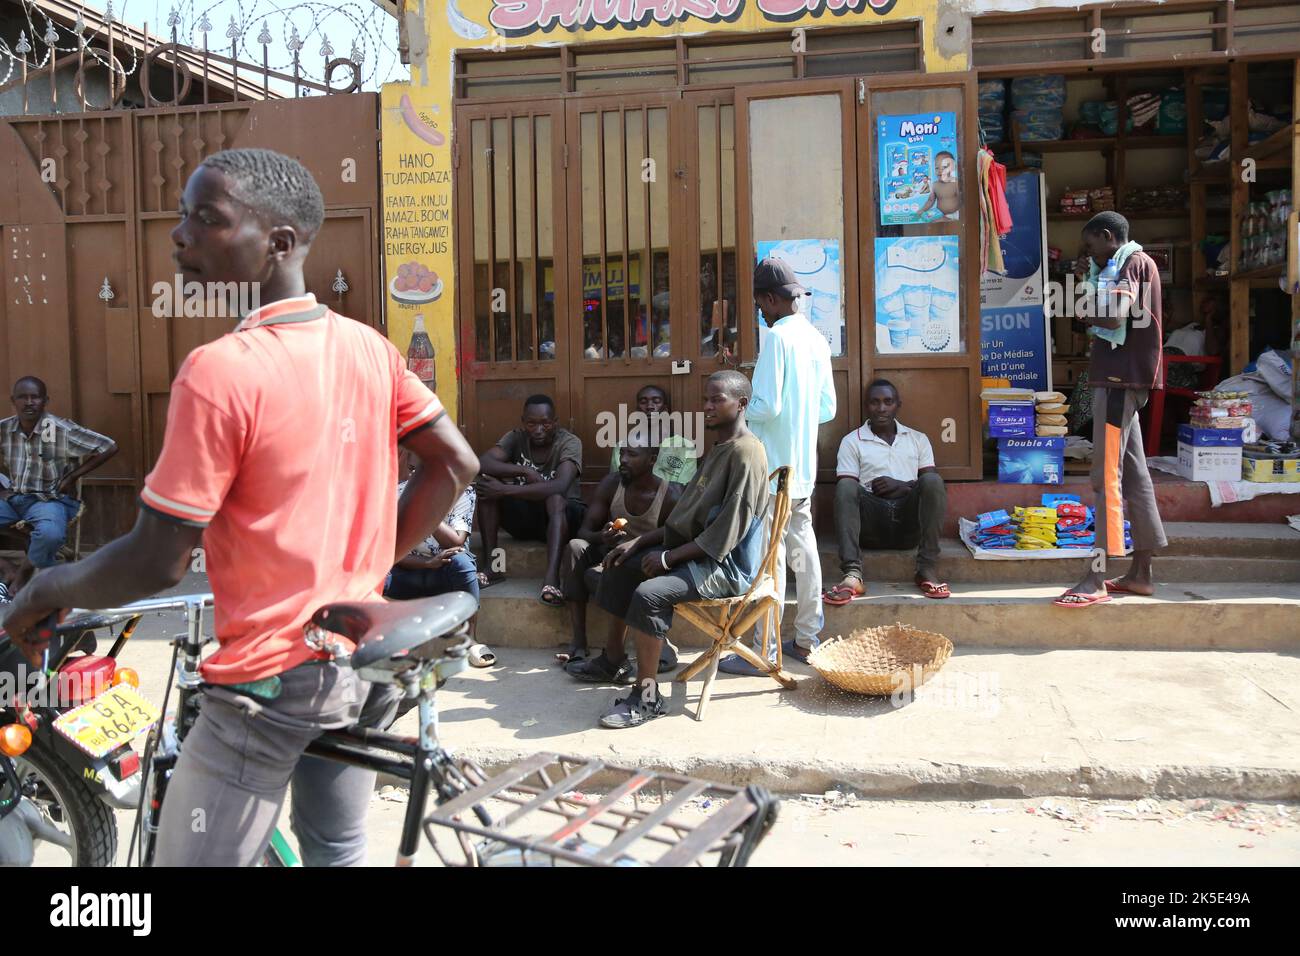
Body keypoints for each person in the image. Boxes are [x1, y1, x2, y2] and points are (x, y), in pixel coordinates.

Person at [0, 148, 480, 867]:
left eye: (207, 218)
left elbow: (156, 561)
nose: (179, 234)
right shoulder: (369, 349)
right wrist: (365, 571)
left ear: (279, 243)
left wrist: (41, 589)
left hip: (267, 680)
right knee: (338, 854)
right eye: (184, 215)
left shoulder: (221, 370)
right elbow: (455, 464)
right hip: (350, 660)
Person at [565, 371, 769, 729]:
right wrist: (639, 542)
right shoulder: (718, 451)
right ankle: (613, 661)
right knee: (621, 565)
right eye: (705, 399)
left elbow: (727, 533)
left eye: (716, 400)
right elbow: (685, 519)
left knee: (650, 594)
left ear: (742, 404)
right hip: (699, 555)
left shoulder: (747, 454)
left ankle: (647, 697)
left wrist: (667, 557)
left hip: (724, 567)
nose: (707, 406)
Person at [720, 257, 835, 672]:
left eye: (760, 305)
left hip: (771, 473)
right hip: (803, 469)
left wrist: (741, 399)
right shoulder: (817, 340)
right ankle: (807, 638)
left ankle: (765, 651)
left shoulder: (778, 340)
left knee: (770, 558)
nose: (760, 313)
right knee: (804, 553)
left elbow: (767, 405)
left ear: (771, 299)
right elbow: (827, 408)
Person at [1056, 211, 1167, 607]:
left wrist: (1079, 305)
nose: (1090, 254)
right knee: (1135, 475)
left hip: (1120, 381)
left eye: (1091, 246)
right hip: (1122, 380)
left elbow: (1114, 313)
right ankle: (1141, 573)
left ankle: (1097, 575)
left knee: (1106, 477)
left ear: (1107, 237)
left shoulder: (1132, 264)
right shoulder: (1127, 265)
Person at [824, 380, 949, 603]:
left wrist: (901, 485)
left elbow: (929, 483)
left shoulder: (917, 439)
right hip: (869, 526)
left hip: (908, 526)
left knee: (932, 480)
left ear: (897, 405)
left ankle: (926, 568)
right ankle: (852, 573)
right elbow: (848, 489)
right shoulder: (852, 441)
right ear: (866, 407)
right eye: (874, 402)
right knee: (845, 486)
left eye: (888, 402)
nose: (881, 408)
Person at [558, 436, 679, 668]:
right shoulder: (611, 484)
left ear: (652, 459)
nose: (623, 460)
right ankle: (579, 641)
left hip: (645, 567)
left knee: (619, 577)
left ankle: (659, 642)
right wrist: (600, 537)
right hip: (609, 557)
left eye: (632, 455)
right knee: (575, 547)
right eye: (622, 453)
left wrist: (638, 545)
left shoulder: (669, 495)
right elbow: (584, 531)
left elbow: (675, 539)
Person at [475, 395, 586, 606]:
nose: (538, 429)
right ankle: (493, 568)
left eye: (545, 422)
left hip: (563, 519)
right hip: (527, 519)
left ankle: (551, 577)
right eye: (531, 423)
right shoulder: (516, 437)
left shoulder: (569, 442)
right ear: (523, 422)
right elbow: (482, 463)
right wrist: (523, 471)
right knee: (487, 486)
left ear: (555, 422)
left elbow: (560, 485)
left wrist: (506, 490)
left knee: (554, 498)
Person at [0, 377, 117, 568]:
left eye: (35, 397)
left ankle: (24, 573)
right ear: (13, 401)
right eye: (23, 397)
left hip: (48, 500)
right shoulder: (4, 428)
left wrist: (72, 477)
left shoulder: (60, 429)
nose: (29, 402)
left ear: (45, 401)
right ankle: (8, 569)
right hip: (13, 499)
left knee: (50, 535)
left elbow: (109, 447)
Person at [385, 448, 479, 605]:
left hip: (444, 571)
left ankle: (469, 629)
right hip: (407, 572)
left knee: (462, 563)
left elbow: (456, 542)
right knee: (373, 573)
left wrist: (425, 509)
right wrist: (427, 563)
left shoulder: (463, 493)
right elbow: (389, 552)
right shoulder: (397, 493)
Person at [607, 385, 698, 486]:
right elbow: (618, 483)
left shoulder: (686, 447)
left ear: (665, 409)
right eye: (643, 402)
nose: (649, 406)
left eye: (656, 401)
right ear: (637, 410)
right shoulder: (622, 446)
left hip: (671, 500)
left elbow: (684, 488)